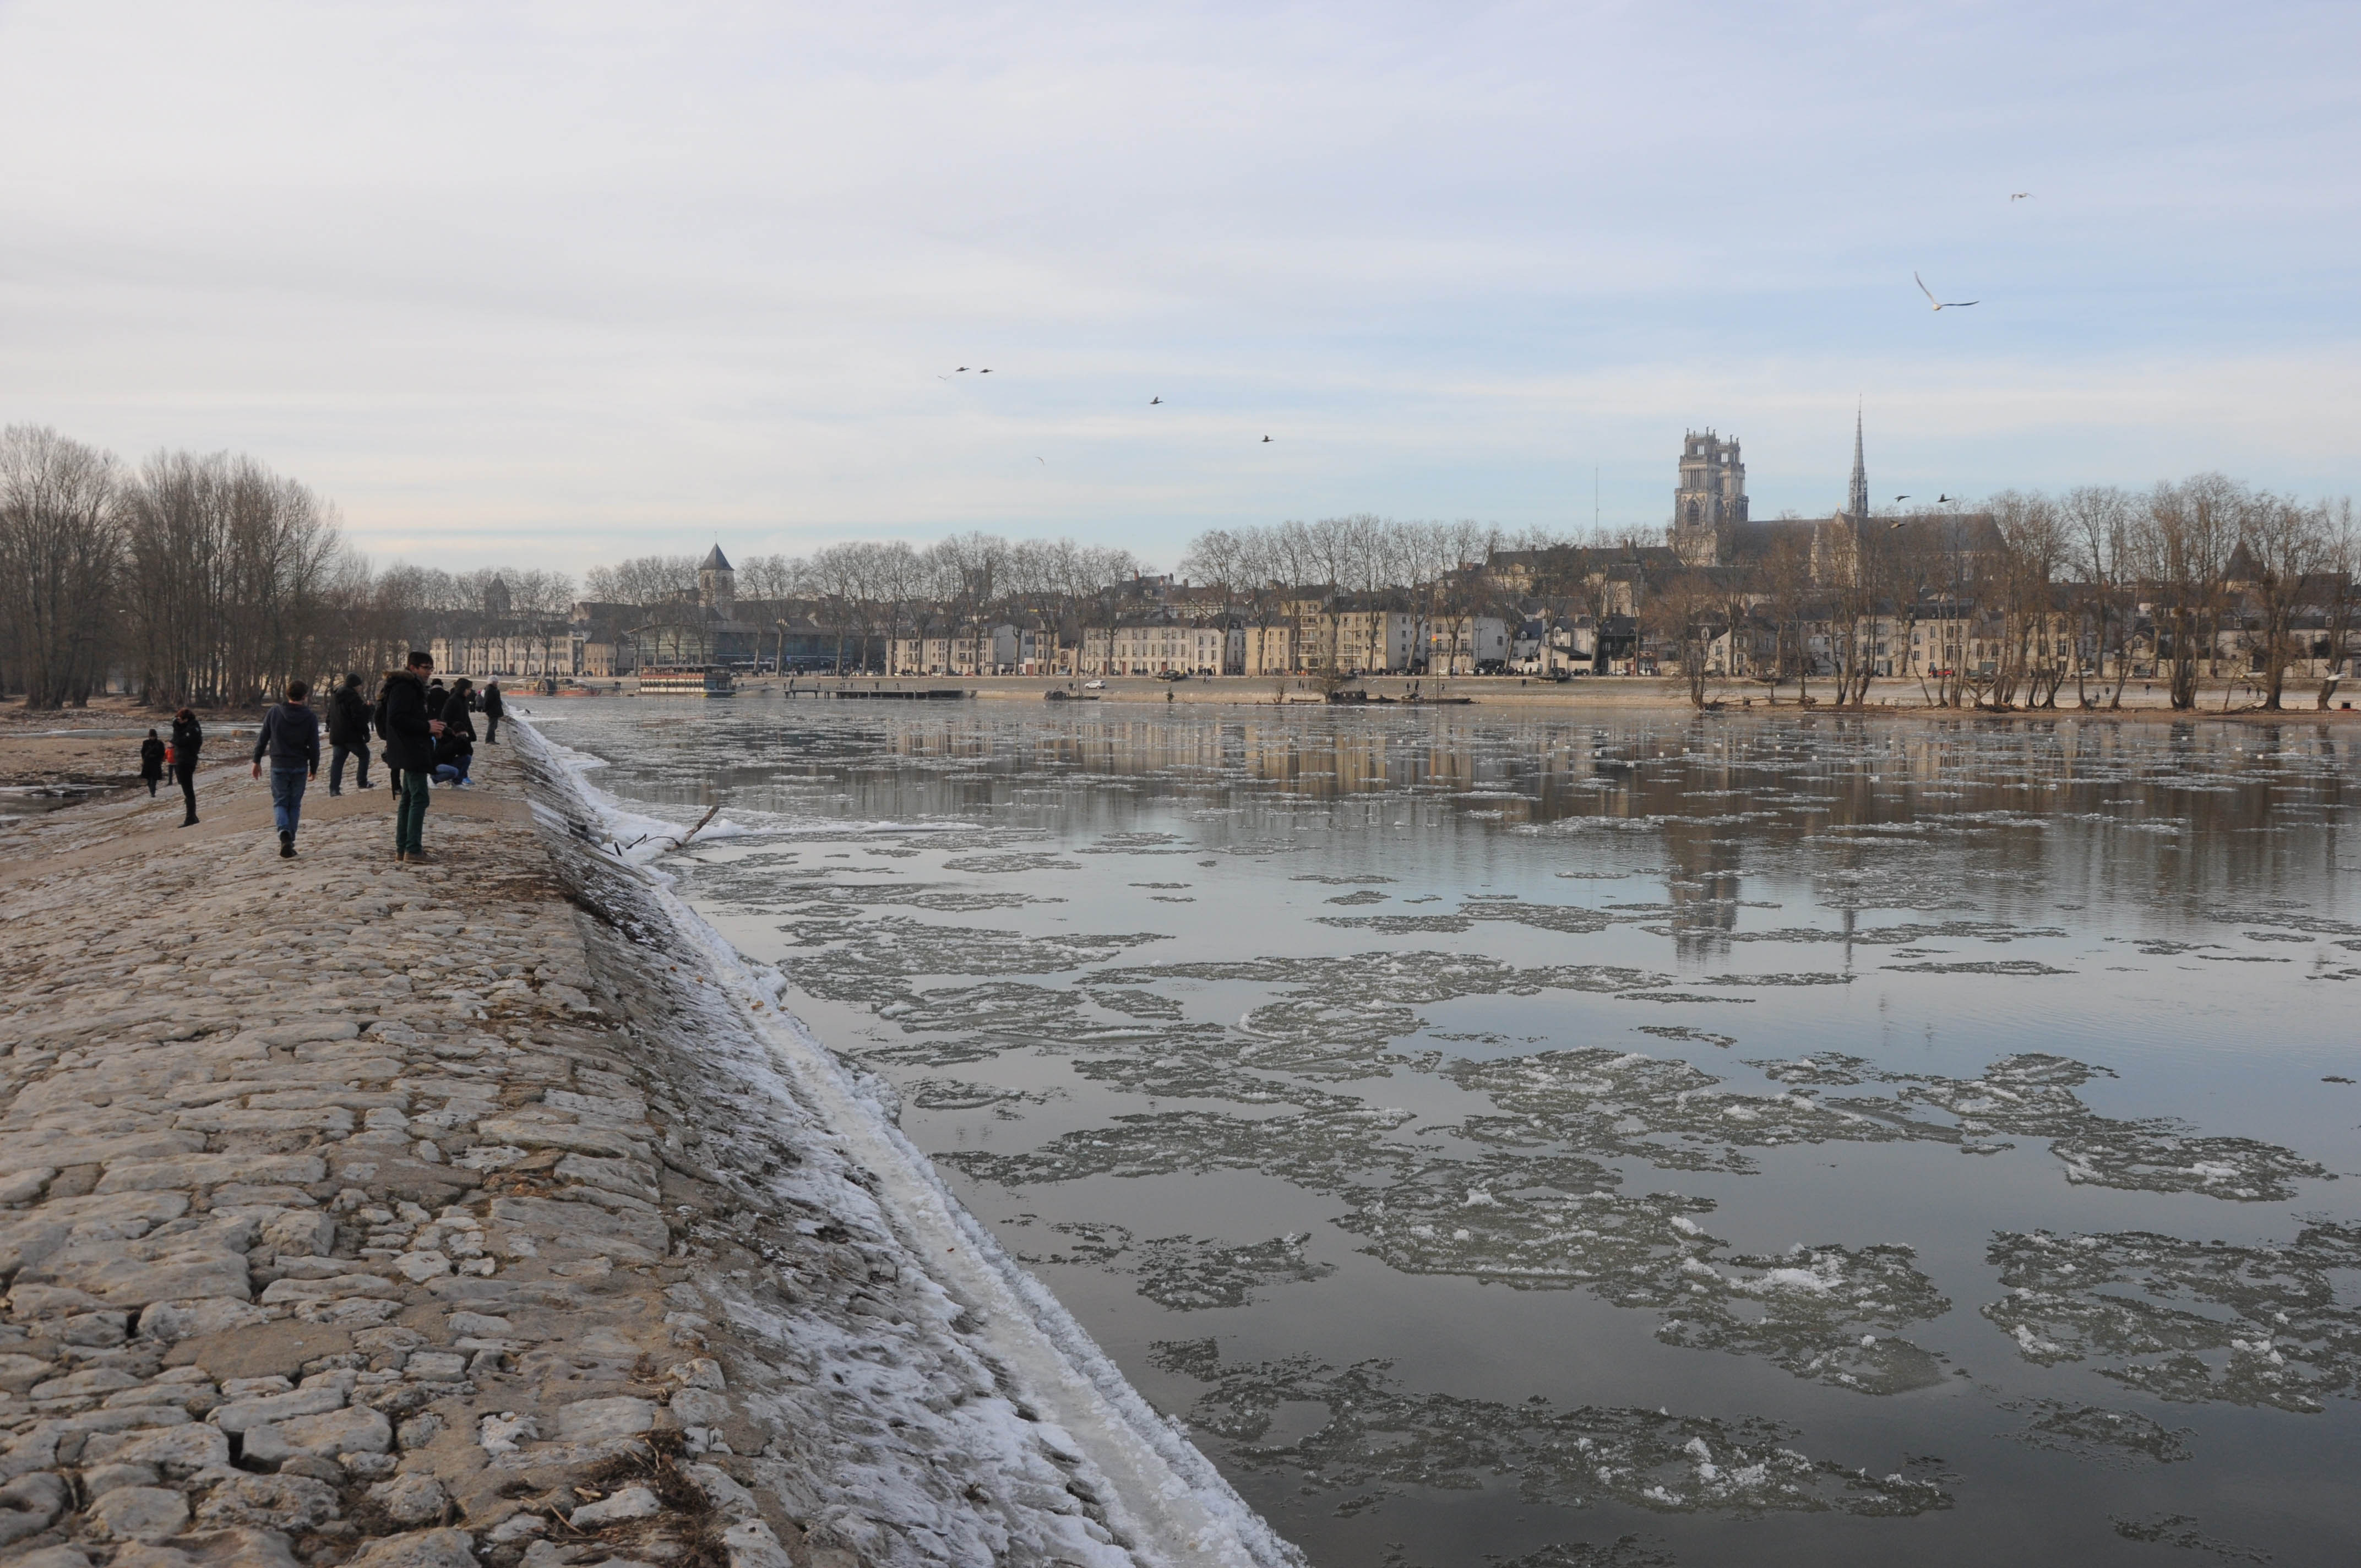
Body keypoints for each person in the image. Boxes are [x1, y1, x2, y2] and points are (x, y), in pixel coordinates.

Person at [379, 651, 445, 864]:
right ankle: (413, 850)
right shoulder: (405, 687)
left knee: (408, 798)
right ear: (413, 667)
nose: (429, 672)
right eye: (426, 668)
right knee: (420, 798)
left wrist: (430, 728)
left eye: (431, 668)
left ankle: (403, 849)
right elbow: (397, 718)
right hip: (410, 749)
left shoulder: (402, 685)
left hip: (406, 747)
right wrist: (426, 727)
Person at [251, 680, 322, 859]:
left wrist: (256, 760)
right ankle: (290, 840)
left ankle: (284, 835)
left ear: (287, 694)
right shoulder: (310, 717)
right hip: (299, 765)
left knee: (281, 803)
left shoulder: (275, 712)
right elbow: (314, 746)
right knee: (294, 804)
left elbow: (263, 737)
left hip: (279, 764)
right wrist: (314, 767)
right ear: (305, 697)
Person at [325, 672, 373, 796]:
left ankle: (334, 789)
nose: (361, 688)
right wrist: (369, 710)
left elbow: (330, 714)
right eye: (359, 685)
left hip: (337, 735)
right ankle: (362, 781)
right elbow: (359, 717)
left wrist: (328, 726)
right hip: (351, 735)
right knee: (364, 755)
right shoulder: (354, 698)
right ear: (354, 686)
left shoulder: (335, 696)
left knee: (338, 761)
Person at [433, 677, 477, 787]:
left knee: (468, 754)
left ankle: (458, 780)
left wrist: (472, 734)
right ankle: (438, 778)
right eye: (468, 689)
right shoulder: (453, 701)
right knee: (458, 754)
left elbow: (466, 719)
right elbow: (444, 718)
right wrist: (452, 733)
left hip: (461, 734)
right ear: (463, 689)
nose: (470, 692)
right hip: (452, 736)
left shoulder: (463, 701)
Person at [170, 708, 204, 825]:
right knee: (186, 788)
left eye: (180, 719)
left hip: (187, 761)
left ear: (186, 719)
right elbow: (177, 740)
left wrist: (176, 730)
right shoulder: (188, 728)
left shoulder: (193, 729)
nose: (178, 721)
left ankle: (191, 817)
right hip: (181, 760)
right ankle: (191, 816)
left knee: (188, 789)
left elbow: (180, 741)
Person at [139, 729, 166, 797]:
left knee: (154, 778)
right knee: (148, 779)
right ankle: (152, 789)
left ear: (156, 736)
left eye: (153, 736)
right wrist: (143, 760)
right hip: (148, 763)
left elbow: (163, 753)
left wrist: (160, 760)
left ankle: (153, 792)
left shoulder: (160, 743)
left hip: (156, 762)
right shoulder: (146, 743)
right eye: (151, 736)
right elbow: (143, 752)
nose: (152, 738)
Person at [481, 679, 504, 745]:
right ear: (493, 682)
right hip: (492, 711)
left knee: (494, 726)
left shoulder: (493, 689)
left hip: (495, 710)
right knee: (492, 725)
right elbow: (487, 701)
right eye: (497, 682)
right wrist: (485, 710)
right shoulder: (490, 690)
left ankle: (492, 740)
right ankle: (489, 740)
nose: (498, 683)